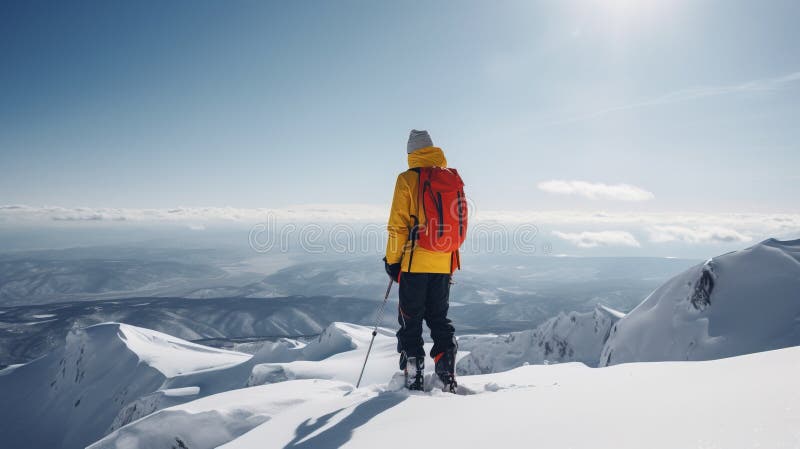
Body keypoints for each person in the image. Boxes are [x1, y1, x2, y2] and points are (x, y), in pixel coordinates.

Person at [383, 129, 462, 392]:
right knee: (439, 319)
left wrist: (392, 262)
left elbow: (398, 226)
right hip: (444, 262)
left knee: (410, 321)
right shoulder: (449, 179)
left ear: (410, 154)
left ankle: (413, 376)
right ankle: (445, 374)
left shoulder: (407, 179)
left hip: (415, 263)